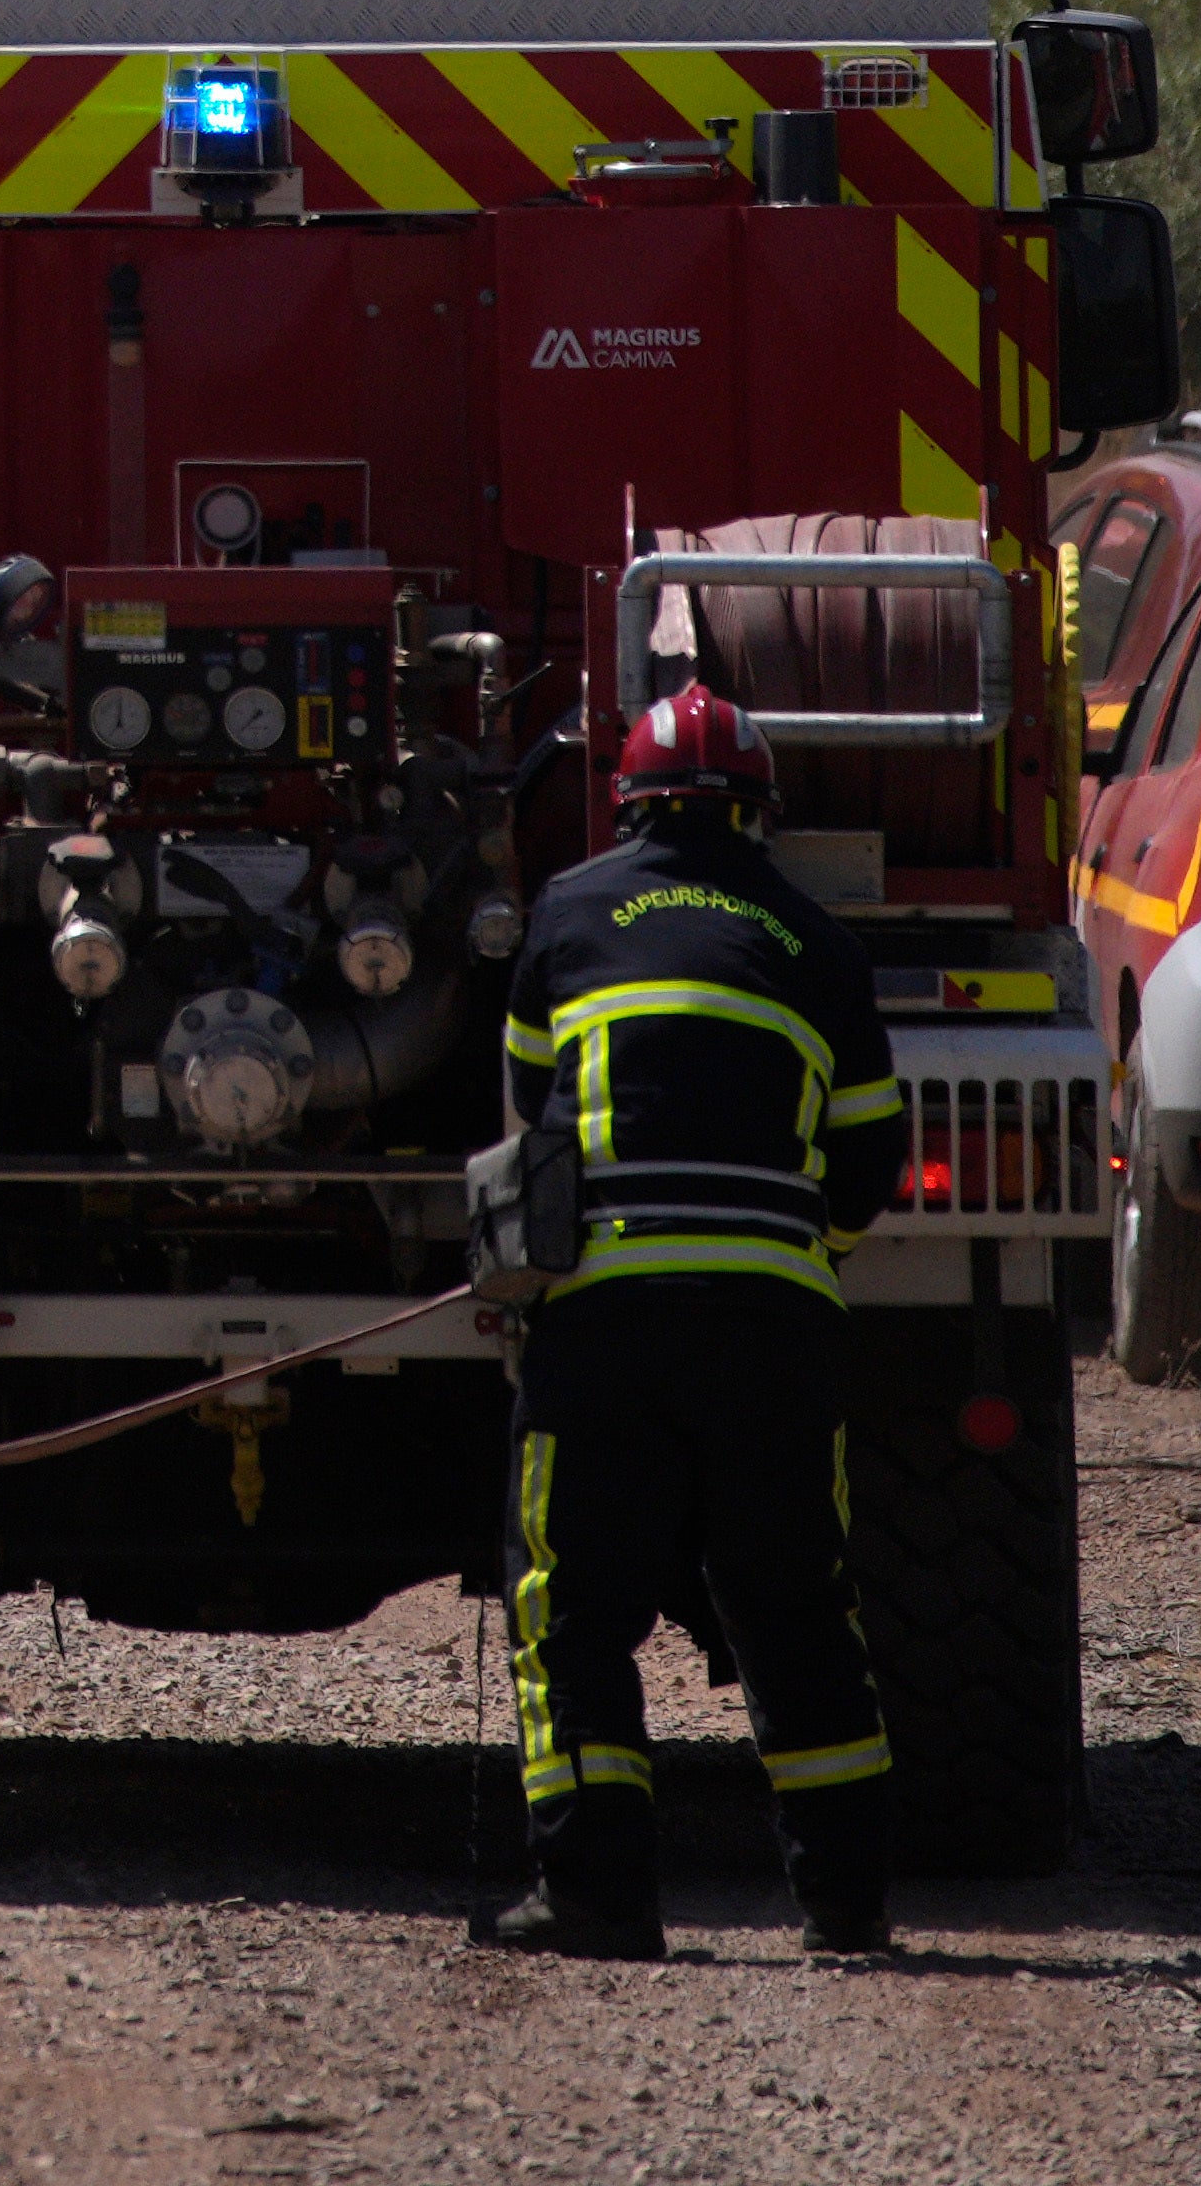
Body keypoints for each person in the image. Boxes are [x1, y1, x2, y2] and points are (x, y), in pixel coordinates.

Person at [479, 683, 909, 1965]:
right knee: (795, 1610)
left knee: (574, 1610)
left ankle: (600, 1900)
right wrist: (788, 1252)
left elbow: (526, 1118)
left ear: (627, 805)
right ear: (760, 812)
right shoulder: (817, 941)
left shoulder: (566, 913)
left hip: (605, 1322)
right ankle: (847, 1905)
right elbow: (872, 1162)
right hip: (774, 1332)